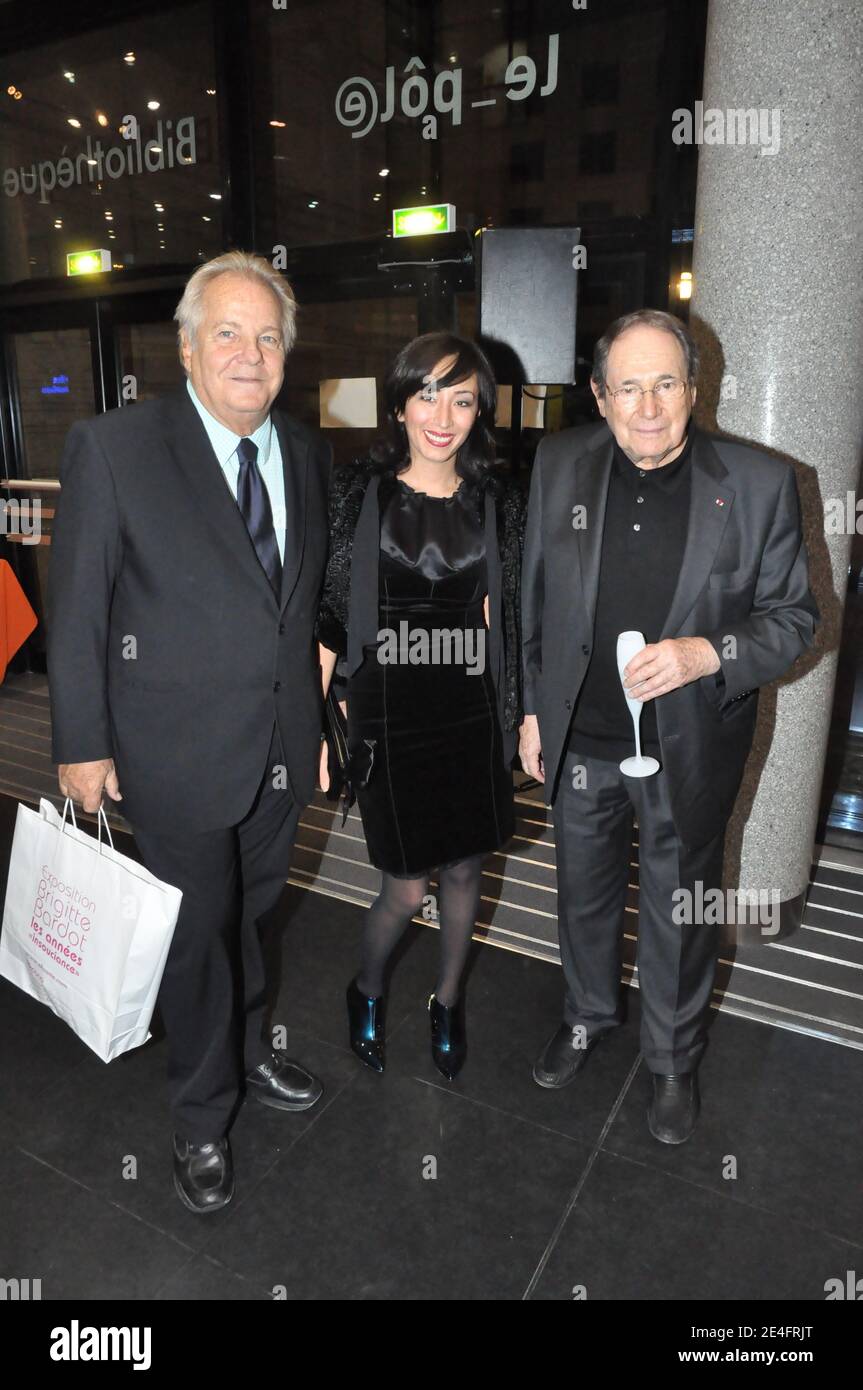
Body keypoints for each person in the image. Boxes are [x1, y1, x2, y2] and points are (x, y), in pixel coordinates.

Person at [47, 251, 332, 1212]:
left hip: (280, 752)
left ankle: (250, 1054)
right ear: (186, 346)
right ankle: (204, 1117)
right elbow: (78, 605)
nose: (249, 354)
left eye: (266, 337)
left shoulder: (302, 450)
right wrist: (81, 742)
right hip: (165, 755)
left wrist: (318, 720)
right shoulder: (114, 447)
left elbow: (297, 607)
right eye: (228, 332)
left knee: (248, 919)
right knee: (198, 941)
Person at [520, 309, 818, 1143]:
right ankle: (584, 1014)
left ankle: (671, 1056)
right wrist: (532, 709)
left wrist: (705, 652)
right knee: (579, 894)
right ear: (598, 395)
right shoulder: (559, 461)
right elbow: (533, 600)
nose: (646, 406)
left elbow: (794, 620)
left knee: (678, 907)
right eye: (626, 387)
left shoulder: (758, 483)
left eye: (663, 384)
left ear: (693, 388)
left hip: (688, 747)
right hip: (583, 737)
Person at [316, 332, 525, 1079]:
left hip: (465, 708)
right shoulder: (356, 492)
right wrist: (316, 724)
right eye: (428, 393)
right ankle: (366, 989)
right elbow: (331, 615)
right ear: (400, 401)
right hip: (387, 712)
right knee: (404, 887)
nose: (443, 414)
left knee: (467, 870)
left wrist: (518, 718)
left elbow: (506, 620)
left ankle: (445, 1000)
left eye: (462, 398)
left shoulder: (496, 500)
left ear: (480, 413)